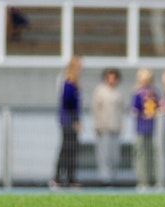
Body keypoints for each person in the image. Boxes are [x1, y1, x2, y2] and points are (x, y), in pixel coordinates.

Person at [50, 55, 83, 189]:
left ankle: (69, 177)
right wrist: (75, 120)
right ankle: (59, 177)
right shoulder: (69, 83)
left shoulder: (73, 83)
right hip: (68, 120)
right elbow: (68, 102)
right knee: (67, 149)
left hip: (70, 119)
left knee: (71, 148)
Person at [91, 67, 125, 183]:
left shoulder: (118, 93)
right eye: (109, 77)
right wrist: (97, 126)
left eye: (114, 77)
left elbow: (121, 112)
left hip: (115, 128)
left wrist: (121, 127)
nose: (112, 79)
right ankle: (104, 180)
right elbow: (95, 110)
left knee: (114, 156)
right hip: (103, 128)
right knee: (103, 156)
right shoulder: (100, 91)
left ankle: (113, 180)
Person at [132, 68, 160, 190]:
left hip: (141, 128)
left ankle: (142, 181)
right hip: (151, 128)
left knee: (141, 155)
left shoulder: (138, 93)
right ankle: (150, 179)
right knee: (150, 154)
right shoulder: (154, 93)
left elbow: (134, 110)